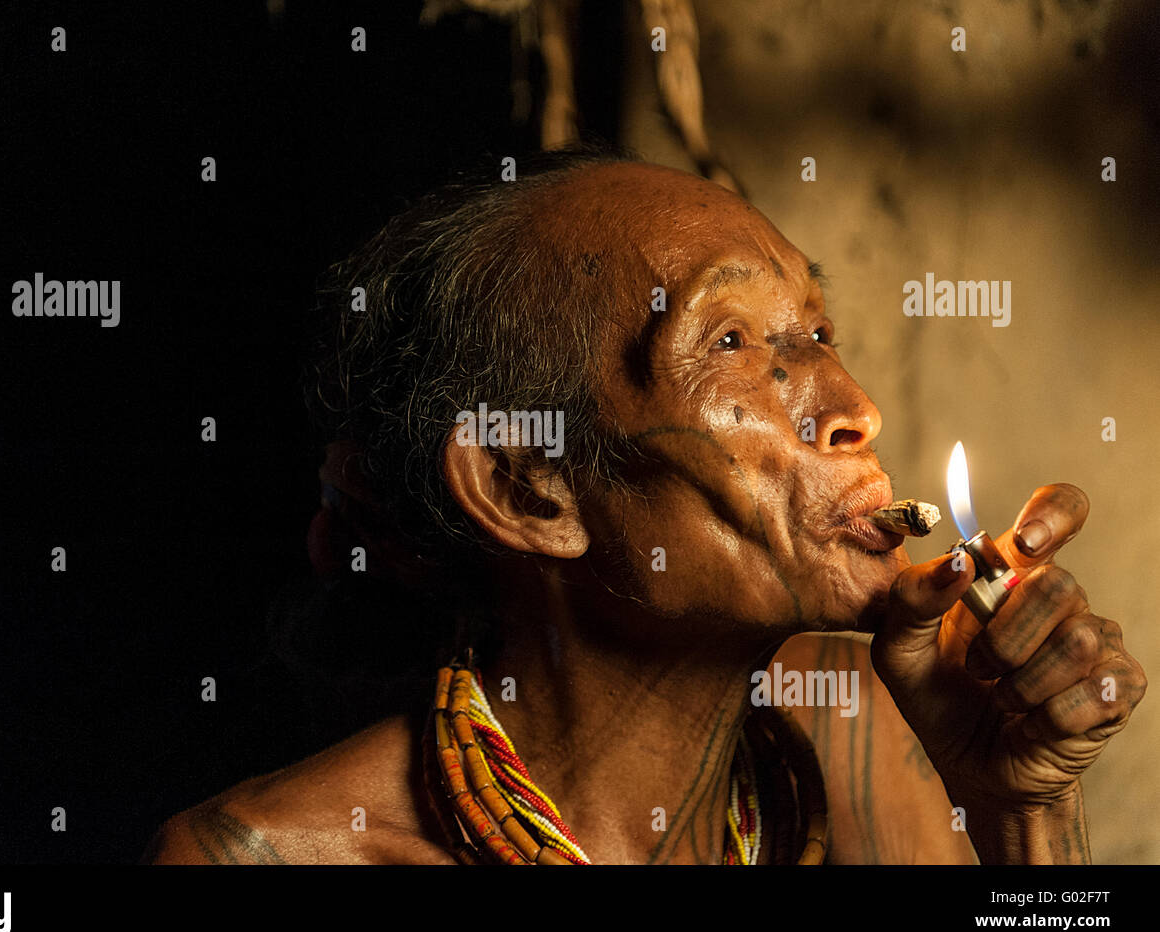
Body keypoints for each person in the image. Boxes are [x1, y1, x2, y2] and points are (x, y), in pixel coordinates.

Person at [144, 148, 1145, 865]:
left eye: (817, 329)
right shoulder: (255, 858)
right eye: (732, 344)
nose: (854, 409)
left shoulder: (873, 749)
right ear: (525, 487)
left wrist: (1023, 810)